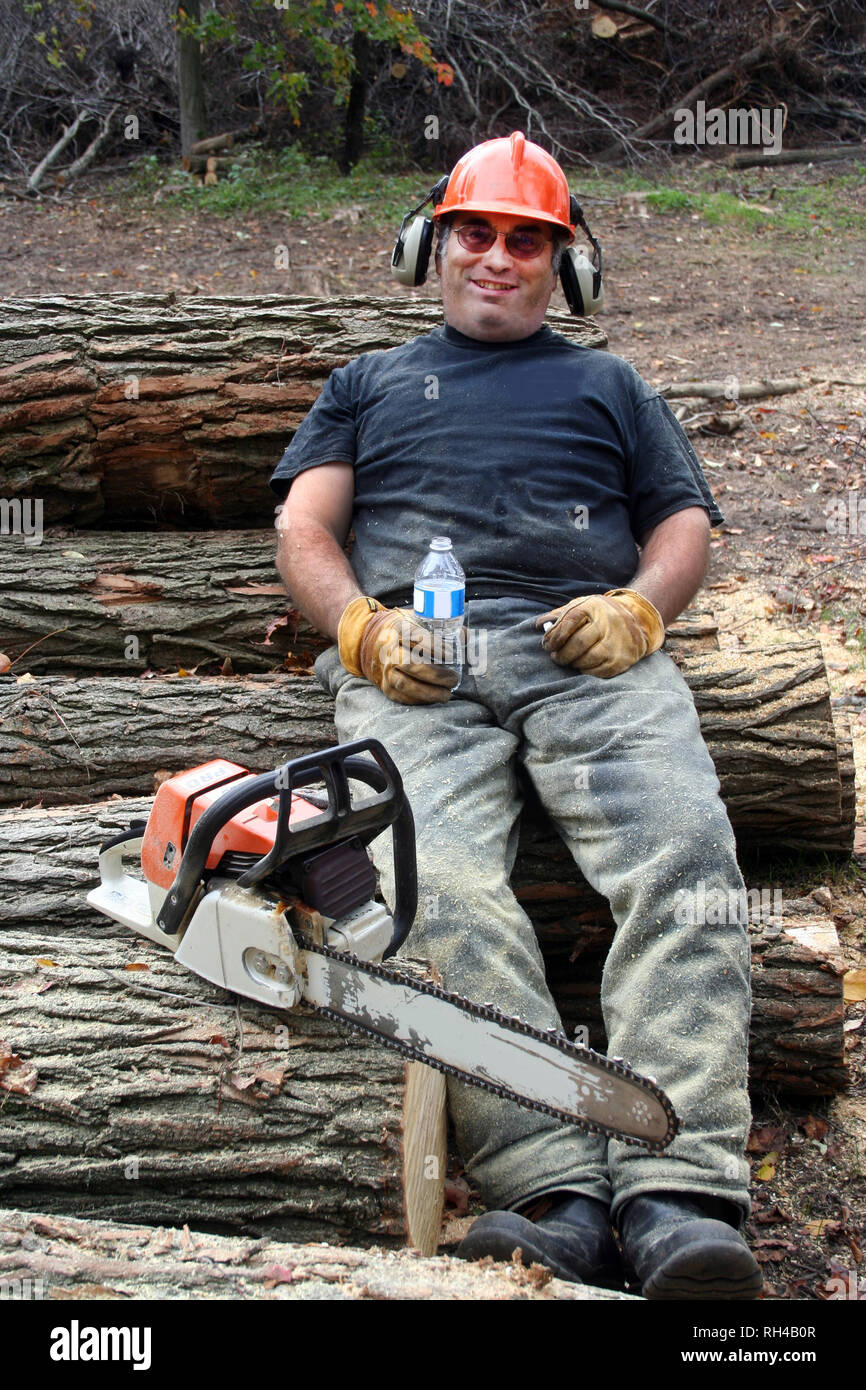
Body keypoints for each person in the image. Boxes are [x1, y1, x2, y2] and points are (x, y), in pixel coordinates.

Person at [270, 132, 762, 1300]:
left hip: (584, 650)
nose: (495, 258)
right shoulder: (369, 382)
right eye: (473, 233)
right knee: (421, 880)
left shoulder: (609, 383)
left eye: (525, 241)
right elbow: (304, 528)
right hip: (415, 666)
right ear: (426, 248)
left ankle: (680, 1192)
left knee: (683, 854)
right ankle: (550, 1188)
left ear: (565, 271)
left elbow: (680, 524)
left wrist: (639, 613)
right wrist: (360, 630)